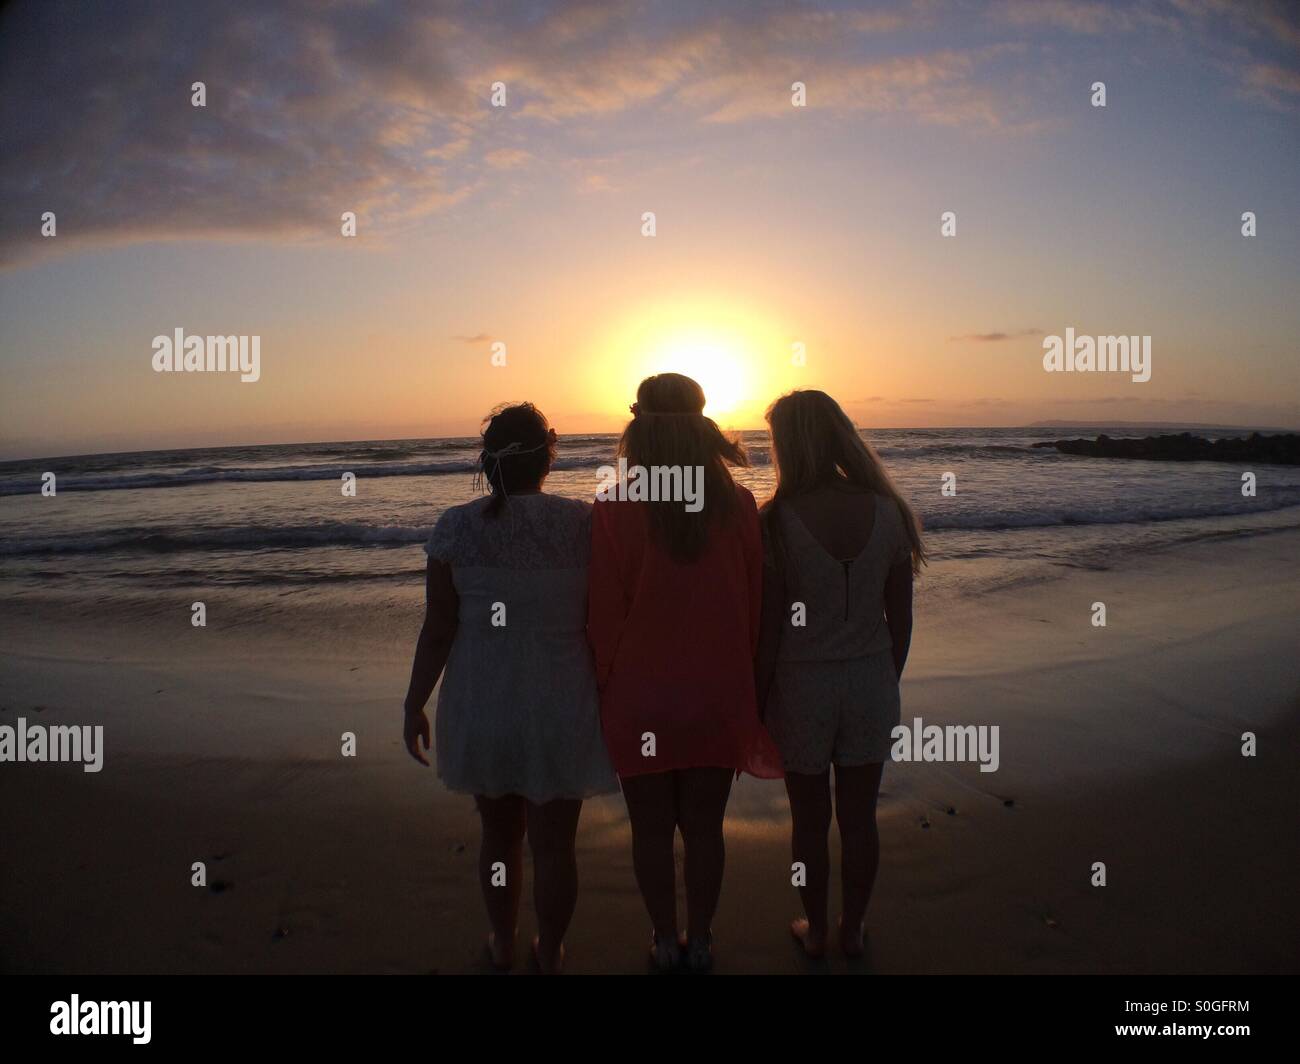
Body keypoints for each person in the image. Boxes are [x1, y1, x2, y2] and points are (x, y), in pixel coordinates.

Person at [403, 402, 618, 974]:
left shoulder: (456, 527)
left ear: (490, 460)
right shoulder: (583, 524)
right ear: (548, 458)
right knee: (554, 845)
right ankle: (549, 951)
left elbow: (439, 628)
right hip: (559, 700)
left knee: (499, 839)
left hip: (484, 699)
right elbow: (606, 616)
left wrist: (413, 701)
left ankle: (502, 940)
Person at [588, 373, 782, 972]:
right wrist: (749, 682)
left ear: (637, 427)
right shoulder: (739, 504)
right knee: (704, 828)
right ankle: (700, 942)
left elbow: (602, 617)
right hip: (717, 691)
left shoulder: (614, 506)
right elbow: (754, 604)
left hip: (640, 696)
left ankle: (664, 941)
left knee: (649, 830)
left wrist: (601, 688)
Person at [754, 390, 925, 959]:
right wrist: (883, 677)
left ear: (789, 445)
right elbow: (900, 620)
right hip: (870, 679)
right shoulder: (889, 511)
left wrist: (756, 700)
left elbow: (770, 629)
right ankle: (852, 929)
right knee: (859, 819)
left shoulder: (776, 522)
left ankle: (818, 930)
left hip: (801, 685)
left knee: (809, 822)